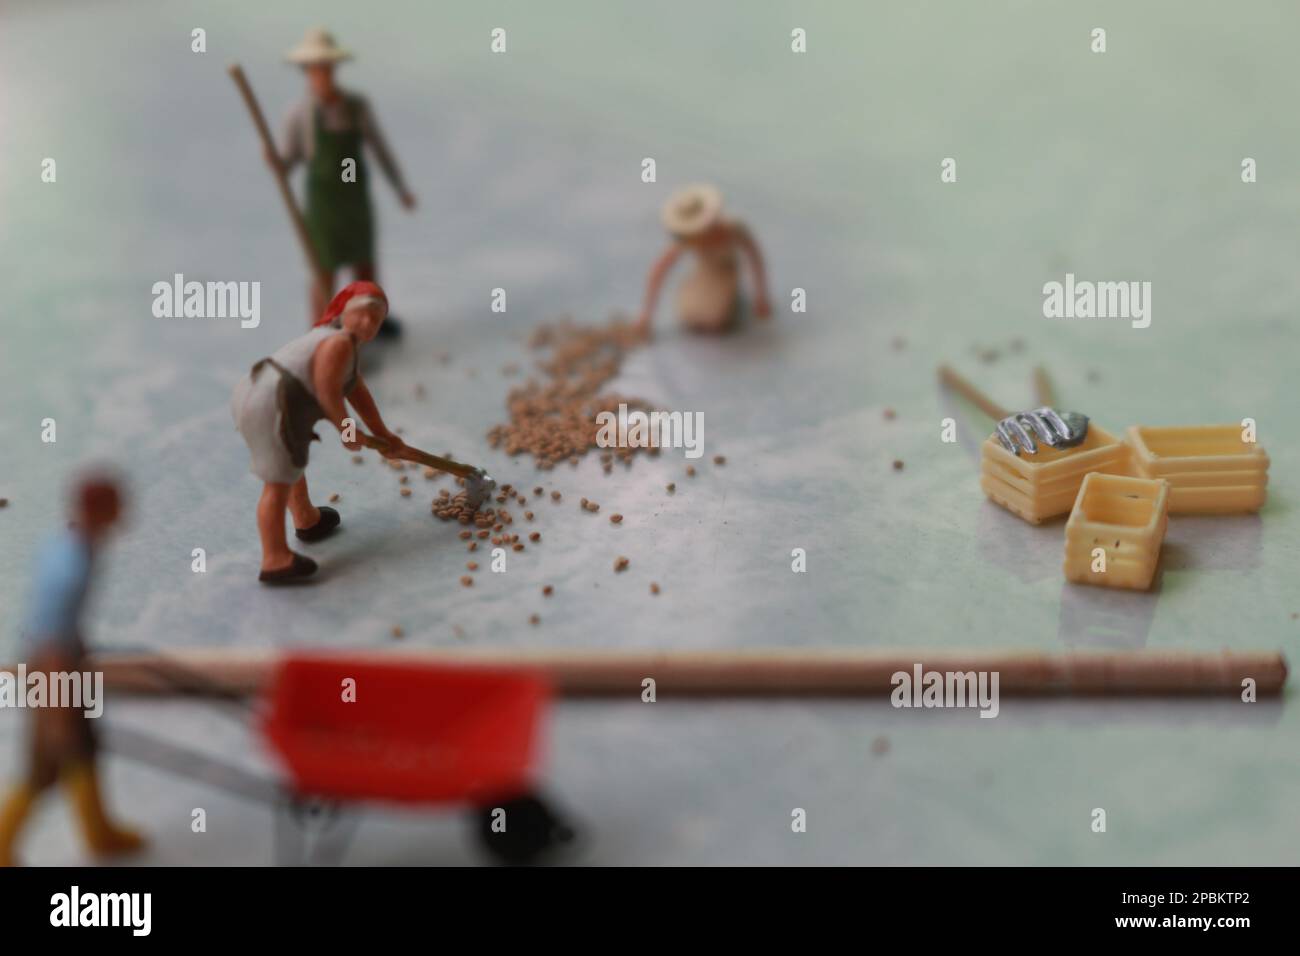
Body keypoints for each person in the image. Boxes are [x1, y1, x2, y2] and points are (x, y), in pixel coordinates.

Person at [0, 474, 144, 866]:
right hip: (53, 671)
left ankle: (99, 833)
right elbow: (50, 644)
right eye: (116, 505)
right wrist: (57, 710)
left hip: (66, 661)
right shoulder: (72, 567)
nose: (123, 513)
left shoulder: (65, 540)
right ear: (99, 509)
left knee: (85, 748)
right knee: (44, 767)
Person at [231, 281, 408, 583]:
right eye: (363, 314)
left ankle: (306, 519)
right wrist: (348, 430)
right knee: (277, 481)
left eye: (376, 319)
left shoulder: (344, 346)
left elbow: (355, 390)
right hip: (271, 402)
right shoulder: (337, 343)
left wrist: (384, 435)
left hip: (269, 396)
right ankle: (275, 558)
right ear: (342, 312)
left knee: (290, 462)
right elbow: (328, 393)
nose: (369, 323)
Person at [270, 28, 416, 336]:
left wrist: (400, 188)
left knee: (364, 263)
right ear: (307, 72)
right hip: (324, 205)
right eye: (315, 69)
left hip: (354, 197)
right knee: (323, 268)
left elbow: (379, 147)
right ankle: (321, 331)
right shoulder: (300, 114)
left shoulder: (356, 106)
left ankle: (373, 321)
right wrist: (278, 164)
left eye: (326, 67)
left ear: (334, 69)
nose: (322, 74)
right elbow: (290, 159)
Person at [636, 184, 773, 337]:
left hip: (726, 274)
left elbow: (754, 257)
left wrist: (761, 297)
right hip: (704, 274)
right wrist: (646, 316)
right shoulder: (689, 239)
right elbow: (659, 270)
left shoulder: (734, 229)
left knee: (716, 320)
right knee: (691, 315)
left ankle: (731, 304)